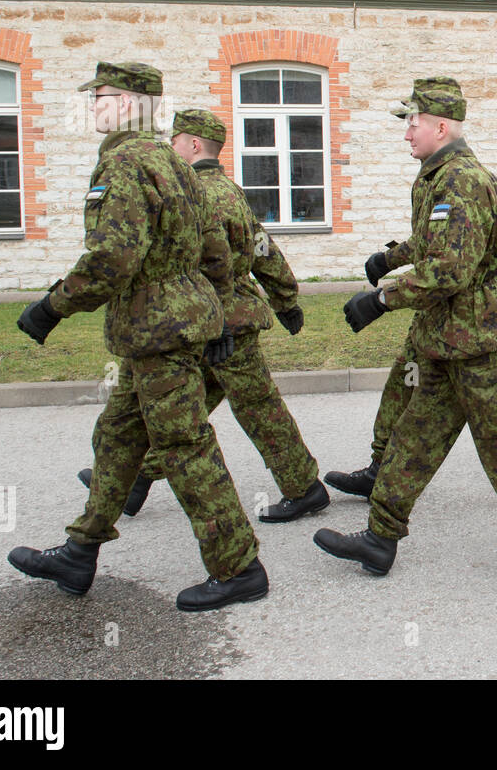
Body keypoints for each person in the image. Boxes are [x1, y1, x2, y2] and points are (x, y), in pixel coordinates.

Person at [11, 62, 267, 612]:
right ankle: (80, 551)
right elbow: (214, 248)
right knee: (118, 435)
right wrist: (218, 313)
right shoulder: (175, 163)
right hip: (170, 324)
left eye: (99, 96)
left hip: (158, 328)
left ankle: (239, 568)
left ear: (126, 103)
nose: (93, 105)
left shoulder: (125, 163)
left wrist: (52, 307)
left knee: (184, 446)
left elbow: (112, 258)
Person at [314, 77, 497, 587]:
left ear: (440, 126)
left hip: (475, 340)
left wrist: (380, 299)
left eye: (412, 124)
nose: (406, 134)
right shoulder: (443, 176)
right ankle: (379, 539)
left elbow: (450, 269)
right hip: (446, 339)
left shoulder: (460, 181)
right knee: (415, 438)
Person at [73, 109, 329, 523]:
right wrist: (285, 297)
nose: (169, 147)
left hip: (213, 321)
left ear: (193, 145)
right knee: (181, 410)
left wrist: (281, 300)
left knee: (251, 409)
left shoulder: (195, 190)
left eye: (176, 140)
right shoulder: (228, 188)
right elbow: (262, 246)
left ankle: (303, 487)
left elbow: (216, 260)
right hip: (216, 319)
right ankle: (135, 480)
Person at [323, 234, 497, 501]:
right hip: (434, 318)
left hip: (472, 325)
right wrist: (387, 259)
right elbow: (430, 240)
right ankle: (381, 469)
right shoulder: (434, 192)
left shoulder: (469, 193)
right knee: (404, 379)